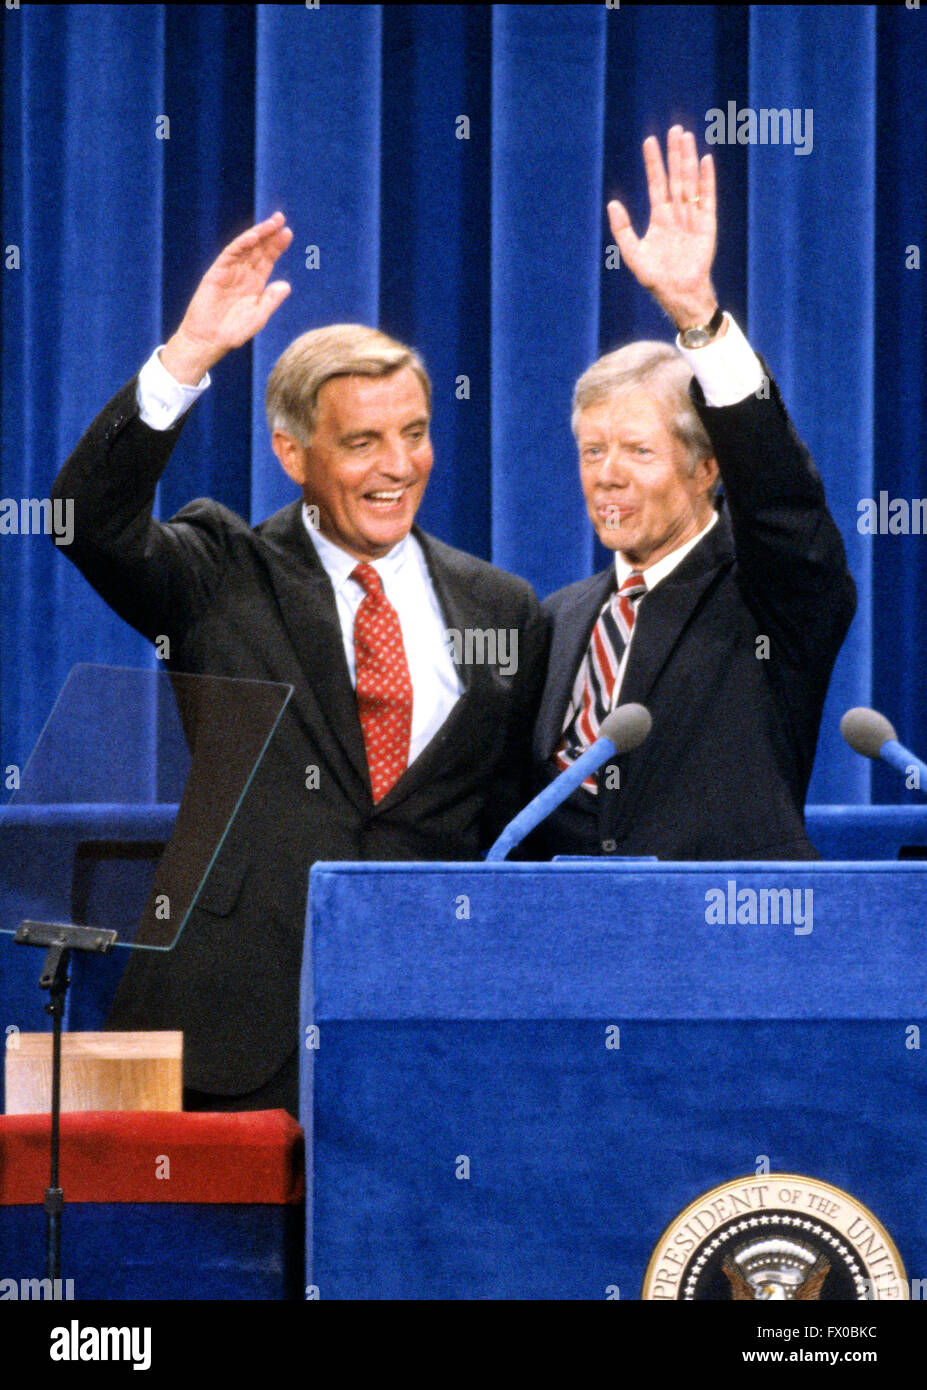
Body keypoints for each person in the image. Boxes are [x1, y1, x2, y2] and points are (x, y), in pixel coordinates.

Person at [50, 214, 547, 1116]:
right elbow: (83, 521)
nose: (399, 466)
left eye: (416, 432)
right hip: (238, 1015)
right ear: (292, 454)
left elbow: (509, 818)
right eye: (363, 443)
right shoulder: (220, 572)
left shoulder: (501, 607)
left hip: (427, 1024)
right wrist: (188, 355)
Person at [530, 126, 856, 860]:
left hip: (727, 949)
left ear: (706, 468)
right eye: (592, 451)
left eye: (638, 451)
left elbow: (781, 504)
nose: (606, 473)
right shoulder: (556, 619)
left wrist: (697, 322)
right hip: (567, 953)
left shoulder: (769, 595)